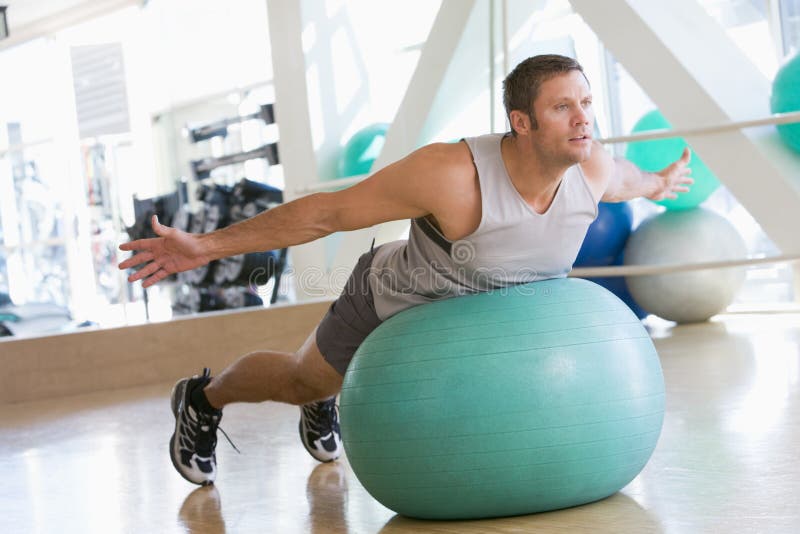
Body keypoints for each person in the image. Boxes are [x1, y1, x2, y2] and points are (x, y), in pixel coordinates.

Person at [119, 54, 692, 486]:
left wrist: (662, 184)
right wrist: (205, 246)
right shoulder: (452, 174)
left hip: (481, 325)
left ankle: (314, 395)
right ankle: (204, 398)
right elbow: (327, 212)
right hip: (394, 299)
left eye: (587, 103)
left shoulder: (591, 167)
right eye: (562, 107)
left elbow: (628, 182)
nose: (582, 120)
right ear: (522, 121)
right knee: (303, 379)